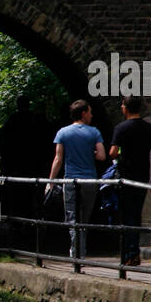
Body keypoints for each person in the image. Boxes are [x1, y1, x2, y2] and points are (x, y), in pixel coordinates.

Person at [109, 94, 151, 266]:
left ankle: (129, 253)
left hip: (125, 177)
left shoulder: (121, 128)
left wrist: (119, 155)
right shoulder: (150, 129)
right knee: (136, 214)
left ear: (126, 107)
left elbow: (112, 152)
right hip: (142, 176)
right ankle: (134, 252)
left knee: (126, 216)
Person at [47, 99, 106, 259]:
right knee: (84, 219)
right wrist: (90, 153)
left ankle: (76, 254)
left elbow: (58, 159)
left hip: (71, 181)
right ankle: (81, 252)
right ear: (83, 113)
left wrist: (51, 181)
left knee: (72, 218)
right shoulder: (94, 132)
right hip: (89, 181)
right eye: (90, 112)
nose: (92, 115)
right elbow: (102, 156)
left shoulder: (63, 133)